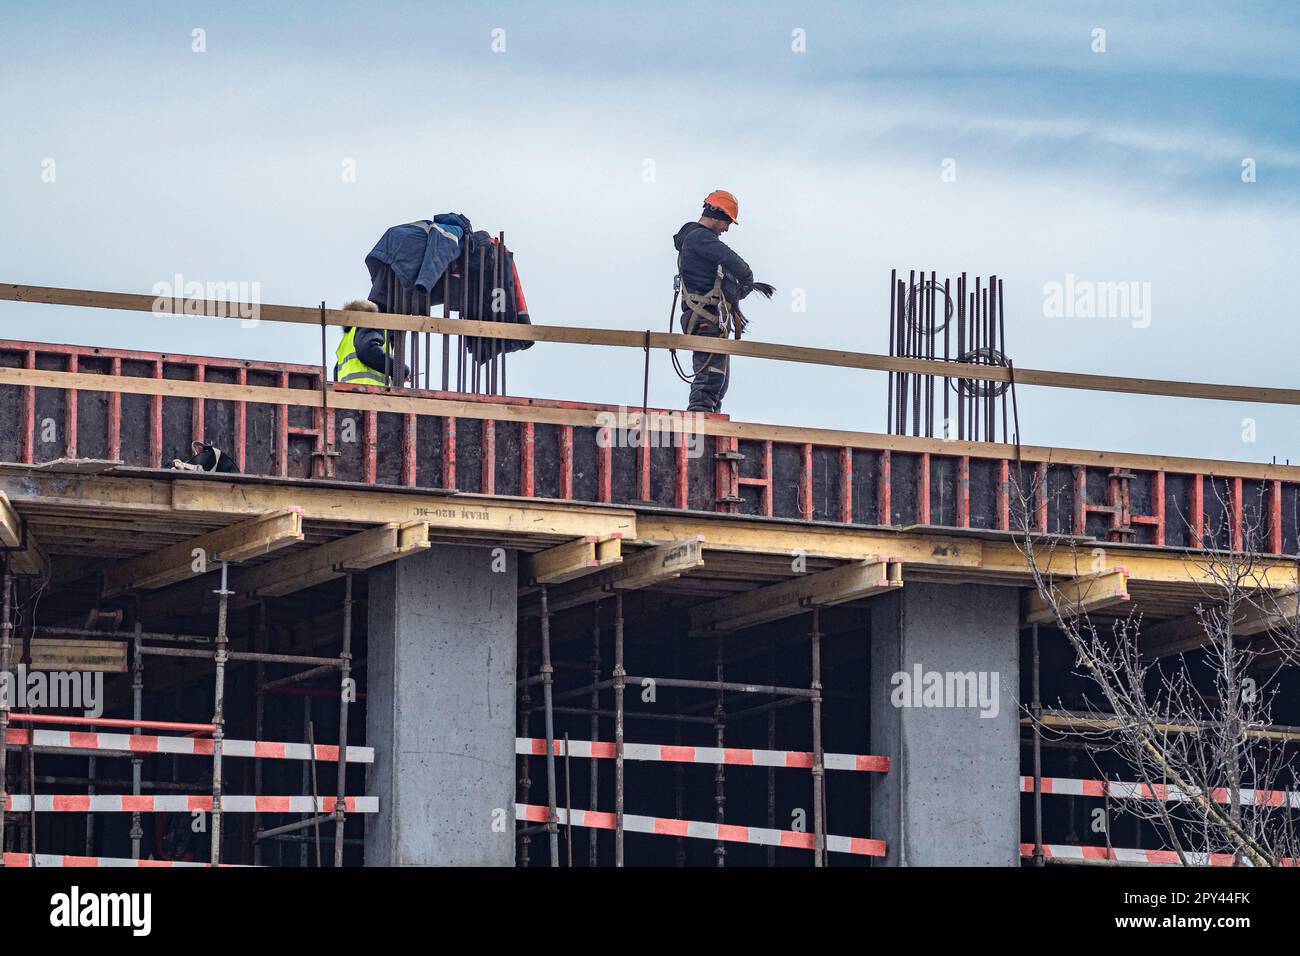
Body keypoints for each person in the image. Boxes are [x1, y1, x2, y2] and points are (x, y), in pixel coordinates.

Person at [672, 190, 771, 412]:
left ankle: (709, 422)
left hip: (707, 318)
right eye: (727, 222)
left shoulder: (696, 240)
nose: (727, 229)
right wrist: (747, 279)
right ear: (717, 216)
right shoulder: (700, 238)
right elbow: (734, 261)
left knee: (718, 382)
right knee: (710, 379)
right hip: (706, 317)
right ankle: (701, 424)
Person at [334, 299, 407, 385]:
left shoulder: (347, 338)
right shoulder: (370, 323)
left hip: (348, 395)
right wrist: (401, 369)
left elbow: (337, 373)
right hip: (367, 391)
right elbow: (367, 350)